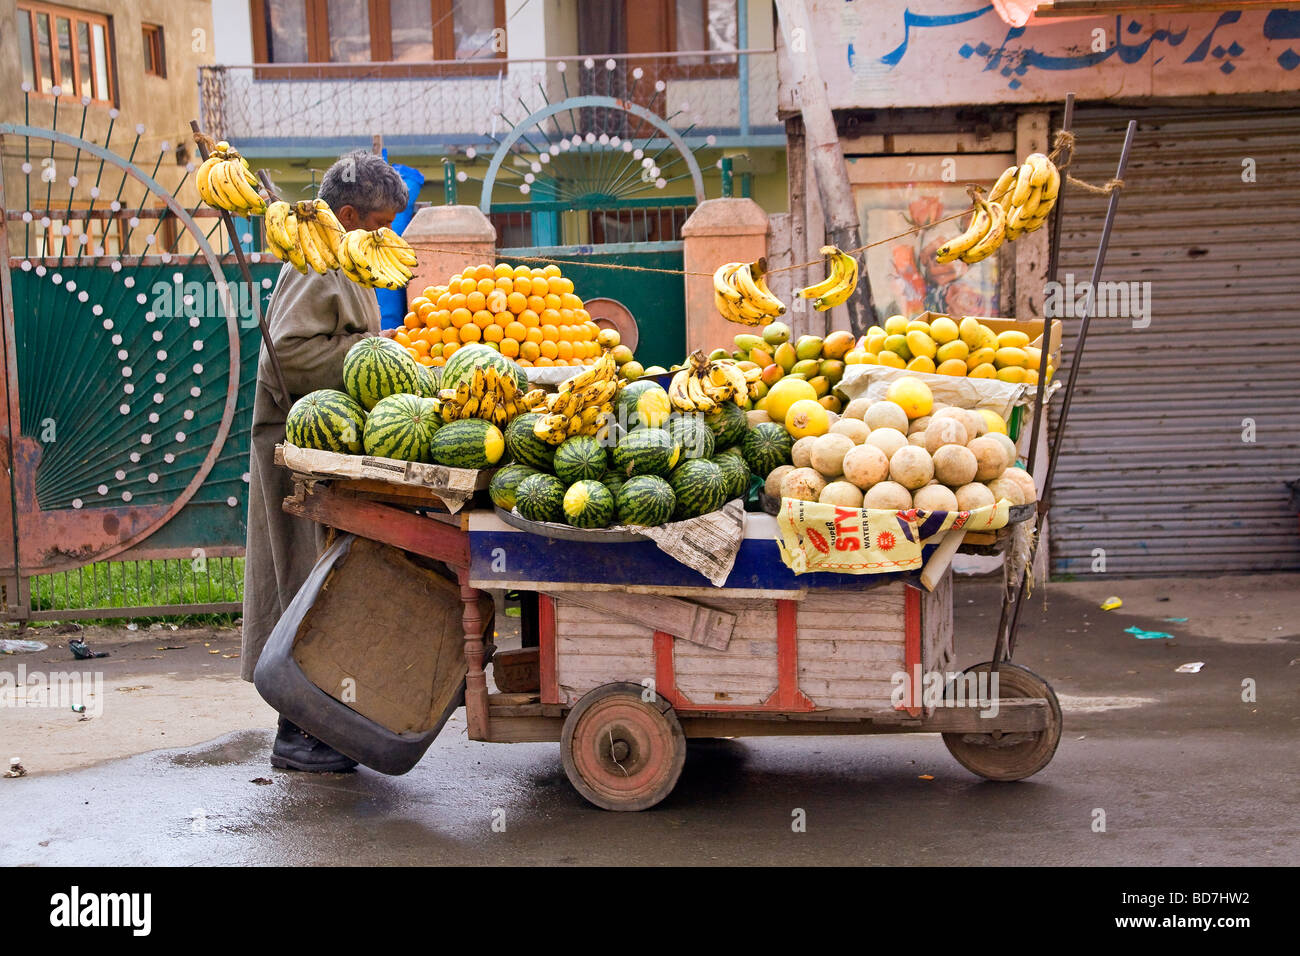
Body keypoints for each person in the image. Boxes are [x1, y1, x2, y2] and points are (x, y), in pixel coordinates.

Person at [241, 151, 409, 772]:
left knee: (325, 580)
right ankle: (298, 734)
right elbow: (285, 351)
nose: (390, 236)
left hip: (327, 443)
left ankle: (324, 725)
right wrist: (376, 350)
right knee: (305, 579)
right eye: (383, 224)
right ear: (346, 215)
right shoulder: (319, 260)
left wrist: (381, 350)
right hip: (298, 447)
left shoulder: (349, 256)